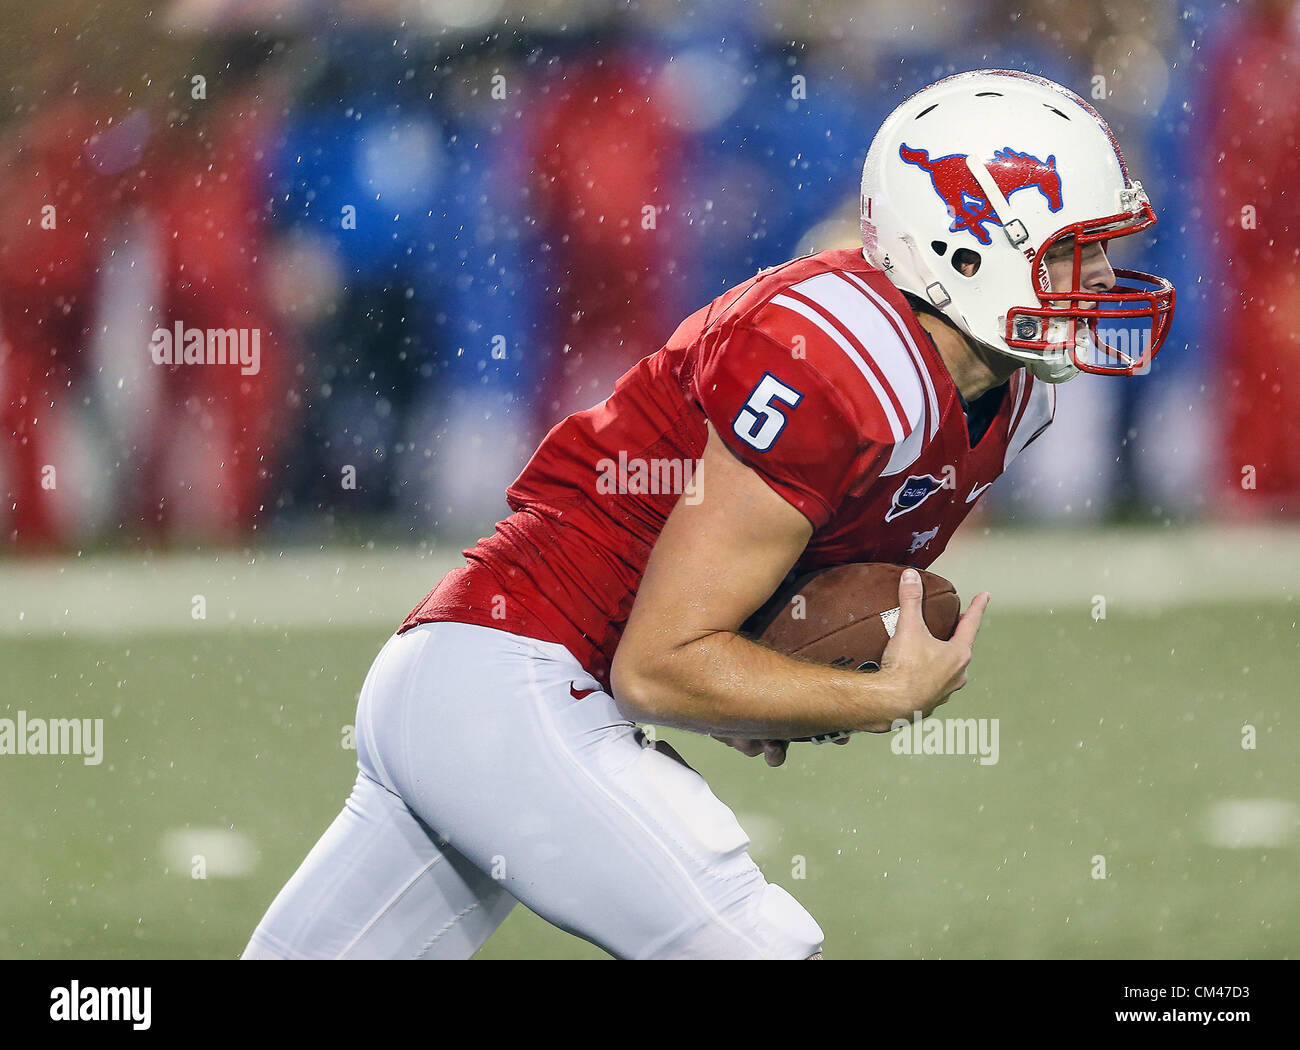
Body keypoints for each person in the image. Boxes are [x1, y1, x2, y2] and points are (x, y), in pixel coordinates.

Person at [243, 69, 1175, 960]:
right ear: (967, 245)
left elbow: (752, 598)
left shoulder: (1007, 398)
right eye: (1075, 249)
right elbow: (660, 664)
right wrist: (881, 694)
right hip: (511, 678)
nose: (1102, 276)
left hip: (484, 687)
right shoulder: (840, 362)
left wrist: (764, 678)